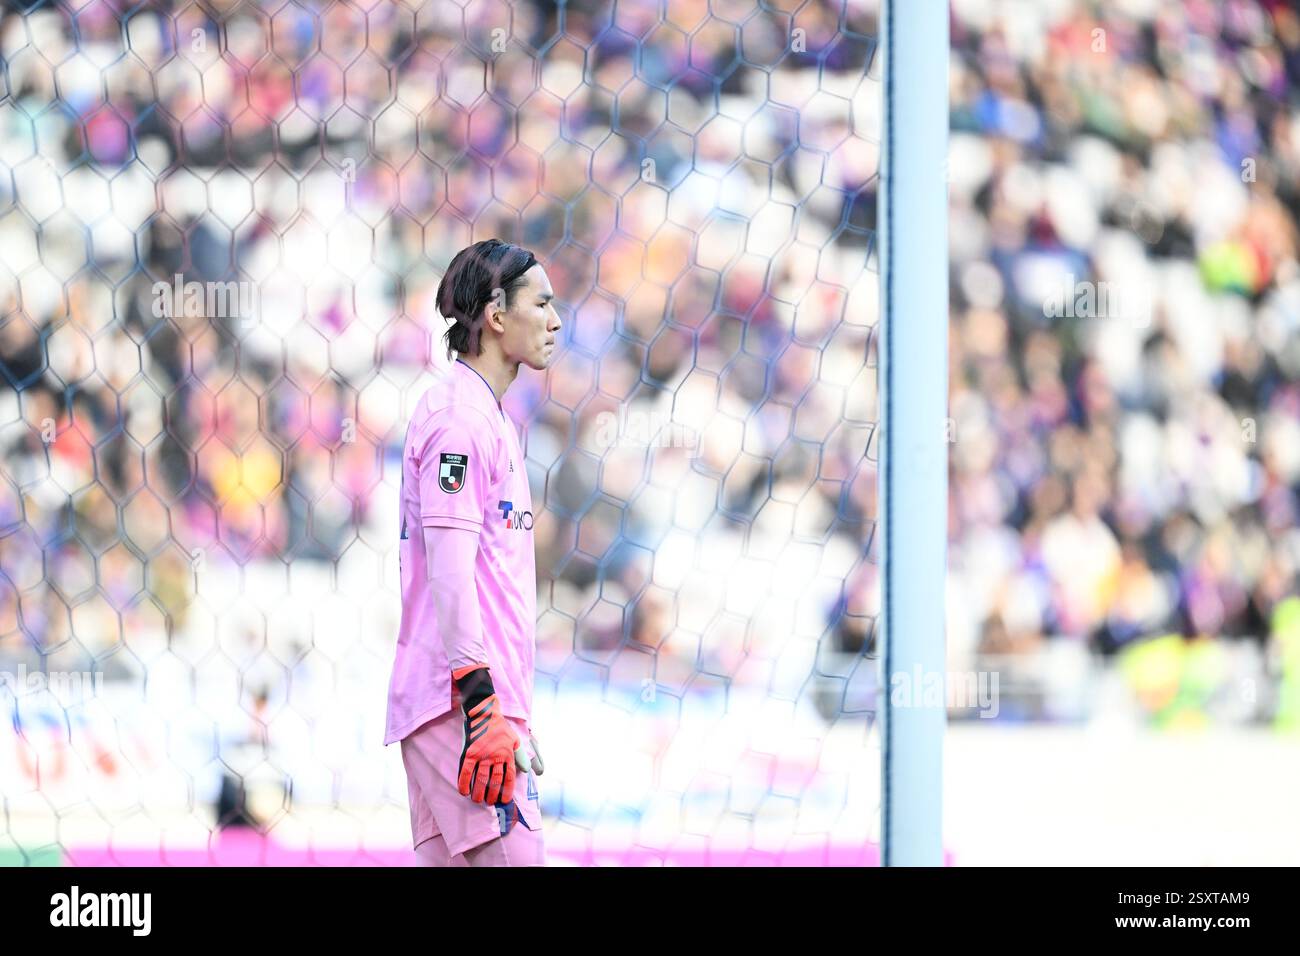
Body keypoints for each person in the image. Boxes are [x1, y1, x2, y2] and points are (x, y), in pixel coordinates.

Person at [384, 239, 560, 866]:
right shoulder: (460, 418)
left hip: (463, 705)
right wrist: (484, 702)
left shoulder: (488, 417)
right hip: (460, 707)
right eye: (541, 302)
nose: (555, 320)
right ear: (495, 312)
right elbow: (451, 572)